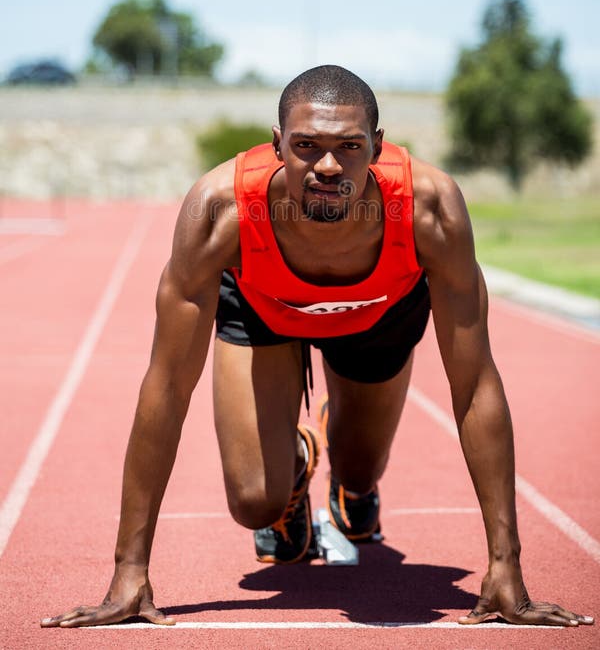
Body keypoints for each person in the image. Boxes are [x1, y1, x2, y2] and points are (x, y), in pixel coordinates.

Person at [41, 65, 593, 629]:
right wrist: (129, 570)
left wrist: (505, 564)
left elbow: (474, 383)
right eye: (306, 146)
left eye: (349, 147)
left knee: (358, 474)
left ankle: (340, 457)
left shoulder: (429, 208)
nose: (327, 166)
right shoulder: (221, 209)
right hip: (262, 309)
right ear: (277, 144)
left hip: (382, 313)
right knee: (255, 501)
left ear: (377, 147)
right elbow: (167, 385)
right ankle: (296, 460)